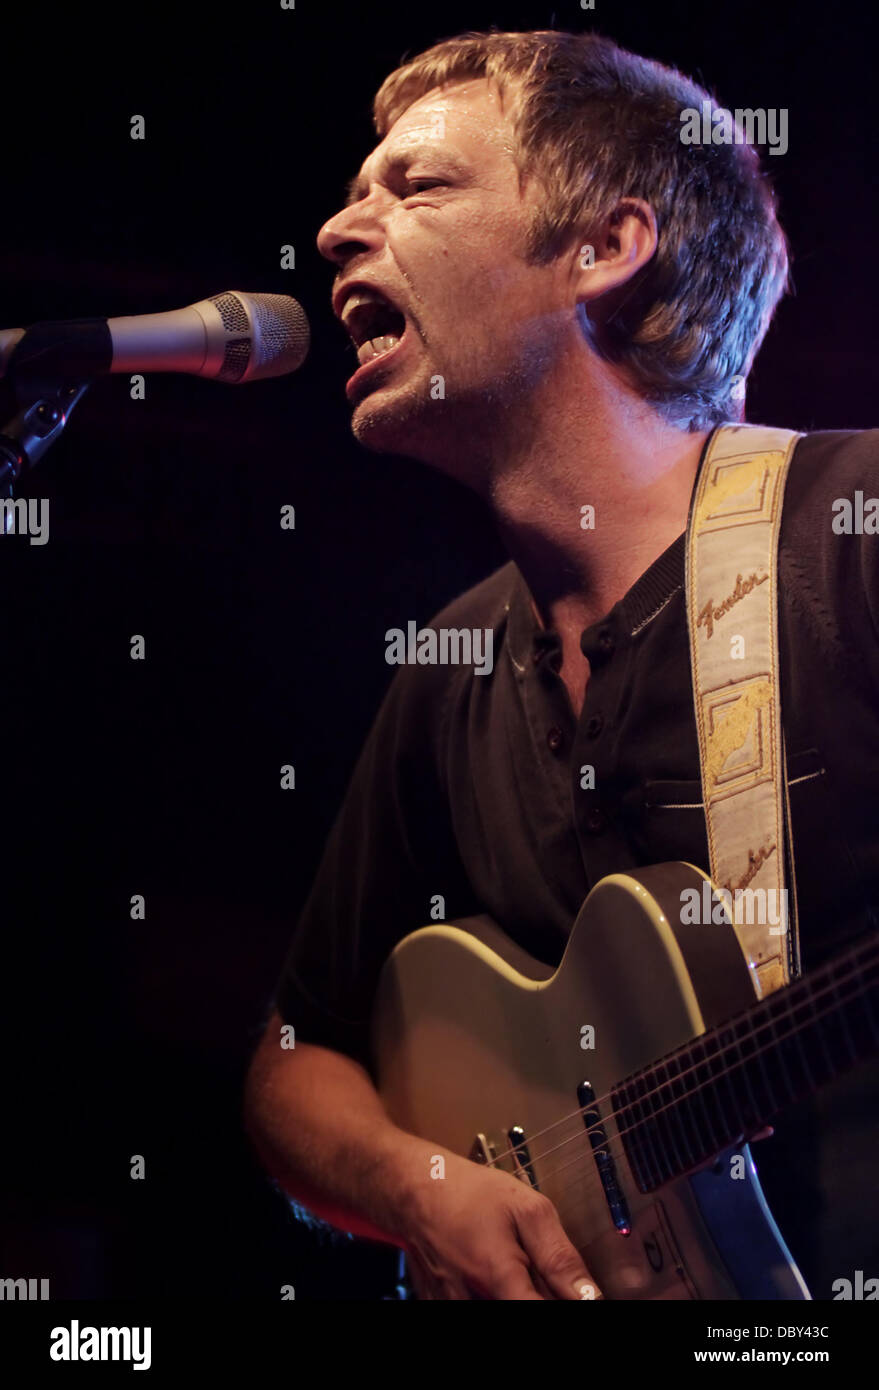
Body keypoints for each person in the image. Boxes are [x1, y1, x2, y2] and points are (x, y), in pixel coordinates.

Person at [244, 28, 879, 1300]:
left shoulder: (852, 532)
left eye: (415, 187)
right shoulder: (454, 664)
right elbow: (295, 1061)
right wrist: (423, 1187)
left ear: (606, 248)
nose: (333, 230)